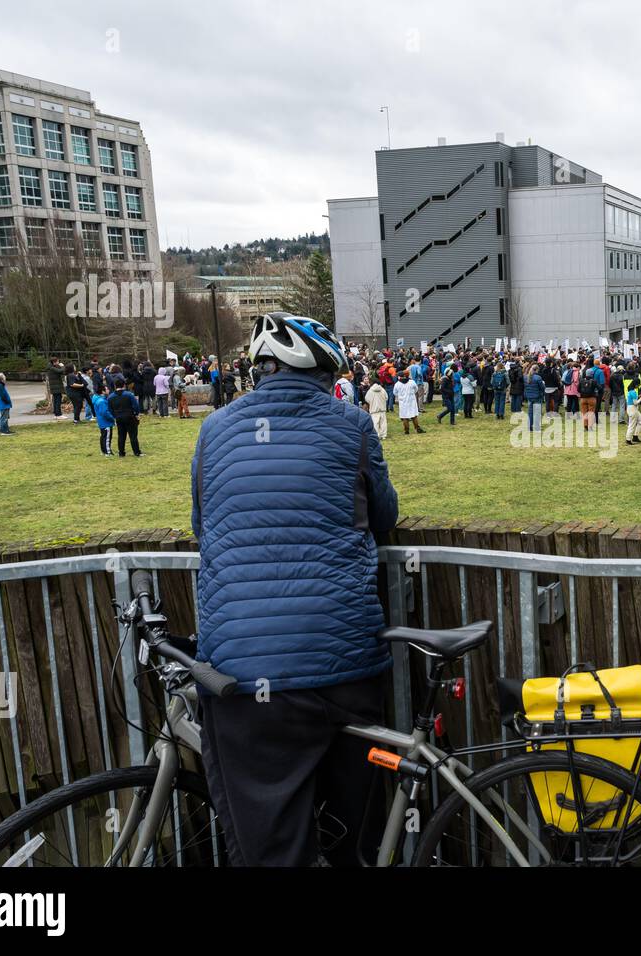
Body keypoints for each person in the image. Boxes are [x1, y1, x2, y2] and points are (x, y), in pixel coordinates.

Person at [192, 312, 398, 867]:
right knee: (359, 839)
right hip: (345, 664)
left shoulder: (214, 430)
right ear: (325, 368)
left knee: (273, 850)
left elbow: (202, 525)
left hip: (245, 675)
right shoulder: (351, 425)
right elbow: (385, 514)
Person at [107, 377, 142, 457]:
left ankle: (121, 452)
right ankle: (136, 452)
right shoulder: (129, 395)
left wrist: (114, 416)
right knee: (133, 435)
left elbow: (110, 409)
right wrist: (136, 414)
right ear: (124, 385)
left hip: (118, 417)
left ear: (115, 386)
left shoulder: (111, 397)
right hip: (130, 416)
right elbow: (135, 406)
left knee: (121, 435)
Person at [91, 384, 115, 456]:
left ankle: (103, 451)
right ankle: (108, 452)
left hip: (102, 422)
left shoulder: (98, 399)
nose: (108, 390)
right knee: (107, 437)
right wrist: (112, 418)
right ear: (103, 391)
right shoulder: (101, 401)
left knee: (103, 436)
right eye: (107, 389)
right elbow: (105, 413)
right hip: (106, 422)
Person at [624, 378, 641, 446]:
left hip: (631, 408)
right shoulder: (633, 392)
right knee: (632, 425)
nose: (638, 386)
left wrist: (639, 396)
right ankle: (628, 439)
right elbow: (635, 403)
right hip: (633, 409)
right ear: (636, 384)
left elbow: (633, 399)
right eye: (638, 385)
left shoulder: (630, 391)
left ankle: (635, 436)